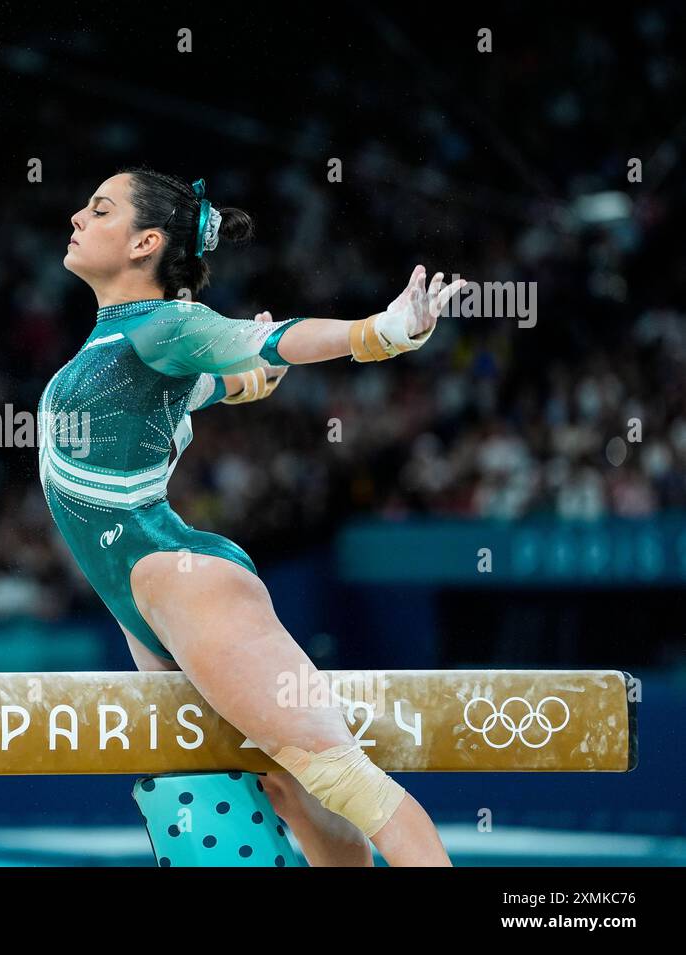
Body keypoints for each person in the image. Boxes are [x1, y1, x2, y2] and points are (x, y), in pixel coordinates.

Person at [42, 166, 465, 866]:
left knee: (340, 776)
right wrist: (244, 377)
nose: (77, 219)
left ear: (146, 242)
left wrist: (381, 331)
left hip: (180, 579)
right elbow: (222, 376)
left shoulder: (166, 321)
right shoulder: (128, 344)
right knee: (279, 787)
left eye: (101, 208)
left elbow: (276, 341)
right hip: (137, 596)